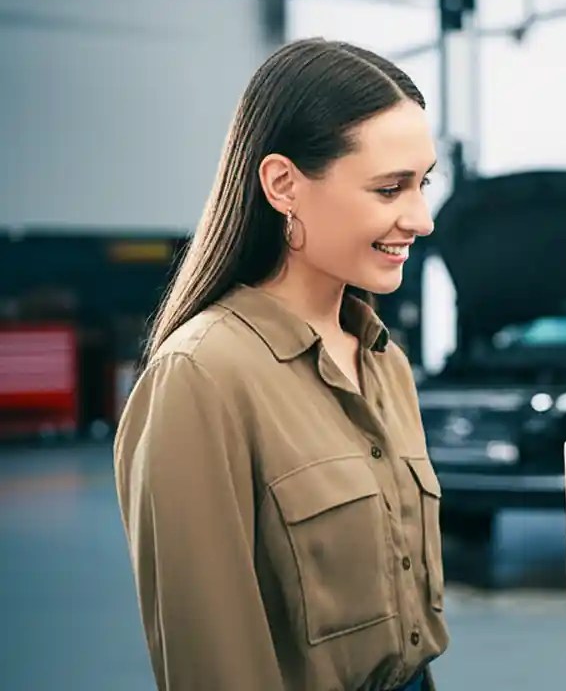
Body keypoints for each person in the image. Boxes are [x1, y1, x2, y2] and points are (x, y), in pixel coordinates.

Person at [114, 38, 447, 691]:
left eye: (423, 182)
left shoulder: (386, 364)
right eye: (389, 189)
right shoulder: (202, 378)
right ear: (283, 185)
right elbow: (213, 664)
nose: (422, 219)